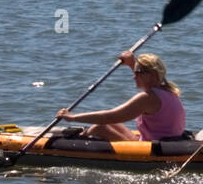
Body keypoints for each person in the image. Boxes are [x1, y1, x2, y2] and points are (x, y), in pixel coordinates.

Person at [57, 51, 185, 141]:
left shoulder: (146, 98)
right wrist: (131, 63)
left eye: (137, 73)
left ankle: (77, 141)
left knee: (99, 127)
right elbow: (146, 73)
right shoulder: (168, 90)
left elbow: (109, 116)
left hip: (154, 148)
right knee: (112, 125)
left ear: (151, 75)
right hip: (162, 141)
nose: (133, 76)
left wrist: (72, 117)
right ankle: (83, 134)